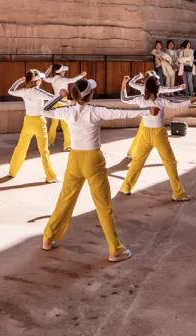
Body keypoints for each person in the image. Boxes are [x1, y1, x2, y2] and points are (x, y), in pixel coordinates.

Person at [40, 77, 147, 263]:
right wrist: (147, 110)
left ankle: (48, 238)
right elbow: (121, 113)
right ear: (91, 94)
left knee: (65, 199)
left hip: (74, 159)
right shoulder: (96, 111)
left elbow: (44, 110)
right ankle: (115, 249)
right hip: (93, 160)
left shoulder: (68, 111)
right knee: (103, 205)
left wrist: (59, 97)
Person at [120, 75, 196, 201]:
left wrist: (123, 84)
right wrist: (195, 98)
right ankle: (178, 193)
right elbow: (179, 105)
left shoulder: (141, 99)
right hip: (159, 134)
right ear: (157, 88)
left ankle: (126, 187)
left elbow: (124, 98)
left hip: (145, 134)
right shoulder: (161, 100)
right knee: (170, 162)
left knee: (137, 162)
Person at [7, 70, 59, 183]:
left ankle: (12, 172)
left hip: (28, 121)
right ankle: (51, 176)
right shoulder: (39, 92)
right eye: (40, 78)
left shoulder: (24, 91)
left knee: (21, 147)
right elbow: (54, 98)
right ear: (37, 81)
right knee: (44, 151)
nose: (41, 80)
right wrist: (67, 102)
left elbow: (10, 91)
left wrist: (19, 81)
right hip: (39, 121)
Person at [126, 72, 184, 158]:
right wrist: (138, 76)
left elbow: (168, 89)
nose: (156, 81)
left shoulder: (153, 88)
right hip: (148, 115)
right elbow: (131, 83)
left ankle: (131, 153)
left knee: (142, 134)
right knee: (142, 135)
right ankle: (131, 153)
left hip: (152, 115)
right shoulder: (145, 87)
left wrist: (179, 87)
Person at [42, 64, 87, 151]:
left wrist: (49, 69)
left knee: (53, 124)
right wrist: (81, 75)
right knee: (65, 124)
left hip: (54, 101)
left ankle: (49, 143)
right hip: (63, 102)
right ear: (61, 72)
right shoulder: (64, 80)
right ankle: (67, 145)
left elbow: (44, 77)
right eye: (63, 70)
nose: (65, 71)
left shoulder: (52, 79)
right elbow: (73, 80)